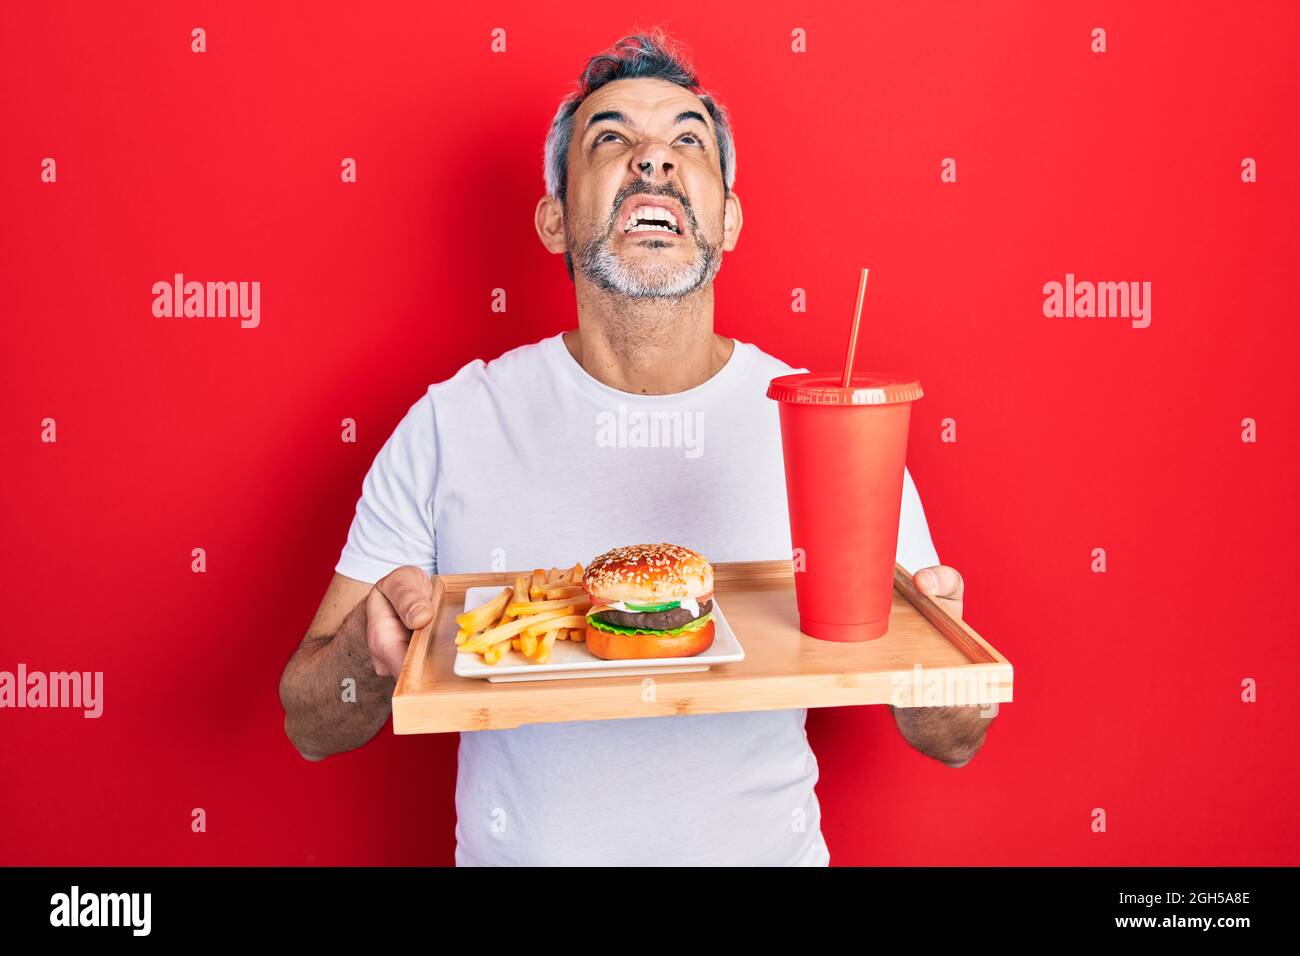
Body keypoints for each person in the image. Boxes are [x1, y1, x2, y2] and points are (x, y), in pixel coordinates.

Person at [278, 29, 994, 866]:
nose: (653, 161)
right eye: (612, 138)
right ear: (553, 218)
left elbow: (953, 738)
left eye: (687, 141)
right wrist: (370, 650)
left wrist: (935, 656)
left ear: (727, 218)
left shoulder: (821, 419)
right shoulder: (452, 423)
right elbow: (308, 725)